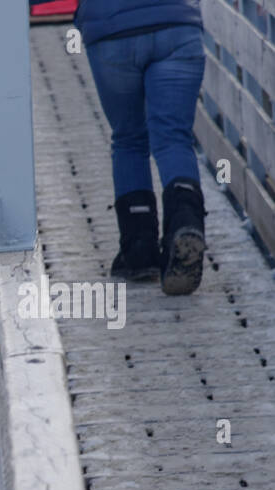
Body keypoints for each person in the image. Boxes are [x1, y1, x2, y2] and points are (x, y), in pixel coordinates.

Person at [74, 0, 207, 294]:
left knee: (129, 139)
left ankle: (139, 249)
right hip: (178, 25)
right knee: (174, 137)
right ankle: (186, 222)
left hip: (113, 34)